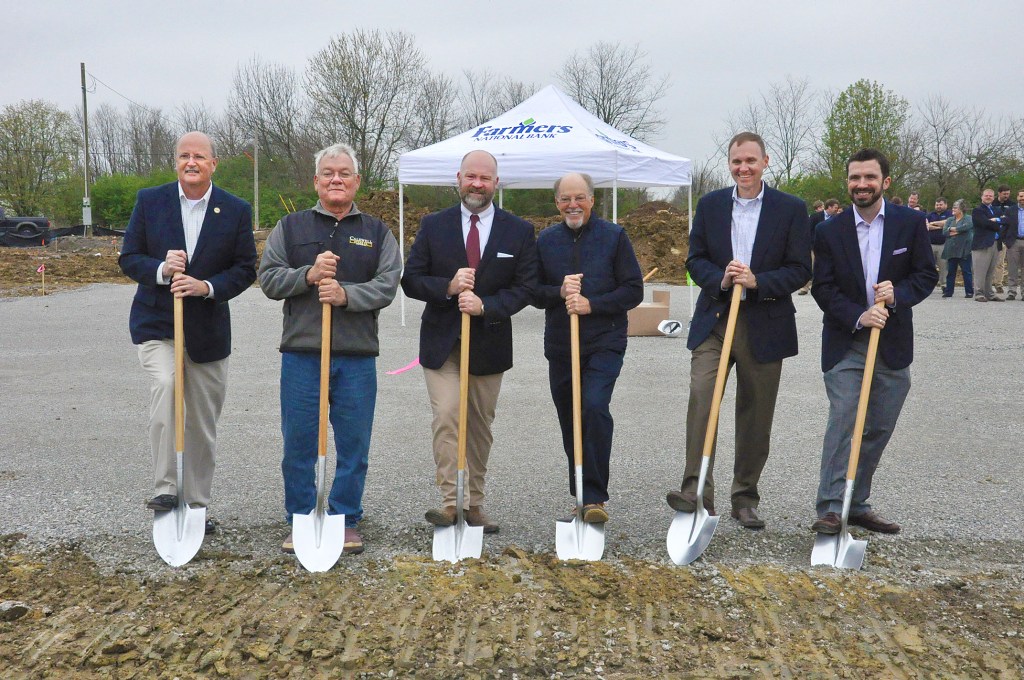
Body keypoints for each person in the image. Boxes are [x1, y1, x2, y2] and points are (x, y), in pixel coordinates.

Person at [258, 143, 401, 556]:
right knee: (299, 440)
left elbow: (389, 283)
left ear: (357, 181)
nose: (335, 179)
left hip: (356, 355)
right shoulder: (291, 227)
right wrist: (309, 275)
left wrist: (345, 295)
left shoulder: (377, 232)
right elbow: (268, 278)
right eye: (328, 173)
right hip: (303, 351)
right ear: (316, 181)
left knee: (355, 443)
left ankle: (345, 517)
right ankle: (301, 516)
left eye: (344, 173)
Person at [665, 131, 811, 530]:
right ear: (728, 164)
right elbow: (695, 260)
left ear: (765, 162)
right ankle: (696, 490)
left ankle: (744, 496)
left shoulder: (791, 209)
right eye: (736, 162)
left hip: (764, 324)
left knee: (755, 413)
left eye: (750, 161)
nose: (743, 168)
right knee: (702, 397)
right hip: (715, 319)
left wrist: (758, 280)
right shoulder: (711, 205)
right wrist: (723, 279)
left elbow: (801, 269)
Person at [119, 131, 257, 533]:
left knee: (200, 421)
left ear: (214, 163)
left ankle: (195, 505)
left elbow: (246, 268)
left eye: (199, 156)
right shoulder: (151, 201)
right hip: (158, 323)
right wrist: (162, 270)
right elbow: (129, 258)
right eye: (184, 156)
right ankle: (166, 489)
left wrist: (206, 287)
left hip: (208, 330)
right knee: (165, 385)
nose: (191, 162)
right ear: (176, 162)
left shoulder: (234, 209)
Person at [402, 150, 538, 533]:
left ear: (496, 183)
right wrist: (447, 286)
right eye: (471, 177)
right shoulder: (434, 225)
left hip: (489, 345)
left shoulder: (519, 231)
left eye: (485, 178)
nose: (477, 184)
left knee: (478, 424)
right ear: (458, 178)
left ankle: (474, 503)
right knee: (447, 415)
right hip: (442, 344)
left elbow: (525, 288)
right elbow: (411, 280)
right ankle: (450, 502)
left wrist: (486, 306)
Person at [810, 148, 937, 536]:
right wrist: (859, 314)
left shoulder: (910, 222)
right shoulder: (829, 230)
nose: (861, 185)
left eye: (869, 177)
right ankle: (832, 508)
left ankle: (856, 502)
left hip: (892, 343)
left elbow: (925, 275)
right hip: (846, 341)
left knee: (879, 426)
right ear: (847, 182)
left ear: (885, 182)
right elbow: (824, 288)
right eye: (854, 178)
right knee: (846, 418)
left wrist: (896, 294)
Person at [534, 172, 643, 523]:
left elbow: (633, 290)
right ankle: (580, 492)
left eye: (579, 197)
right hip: (561, 345)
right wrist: (559, 292)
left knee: (594, 407)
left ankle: (594, 497)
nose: (572, 205)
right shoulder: (547, 241)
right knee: (570, 418)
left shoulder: (614, 237)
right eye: (565, 199)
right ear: (557, 203)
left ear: (592, 200)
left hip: (604, 342)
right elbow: (532, 291)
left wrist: (591, 304)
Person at [971, 188, 1006, 301]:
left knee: (991, 270)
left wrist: (994, 221)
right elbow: (983, 223)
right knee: (980, 270)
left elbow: (1005, 222)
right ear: (982, 197)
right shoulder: (977, 210)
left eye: (990, 196)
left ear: (993, 197)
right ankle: (979, 293)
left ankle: (989, 293)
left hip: (996, 243)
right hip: (982, 244)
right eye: (986, 195)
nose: (988, 197)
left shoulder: (996, 210)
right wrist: (996, 222)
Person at [799, 200, 841, 295]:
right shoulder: (815, 217)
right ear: (829, 207)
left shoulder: (837, 218)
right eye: (835, 207)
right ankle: (805, 287)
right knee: (811, 266)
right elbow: (808, 231)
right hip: (815, 246)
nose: (836, 209)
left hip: (831, 247)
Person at [940, 200, 974, 298]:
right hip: (951, 249)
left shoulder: (968, 218)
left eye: (955, 207)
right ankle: (949, 292)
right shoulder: (950, 219)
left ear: (961, 209)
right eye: (953, 207)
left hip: (964, 249)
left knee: (966, 271)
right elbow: (945, 232)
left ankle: (969, 292)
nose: (953, 209)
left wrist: (953, 229)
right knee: (950, 272)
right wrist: (953, 230)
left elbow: (967, 227)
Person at [926, 197, 952, 290]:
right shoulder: (930, 214)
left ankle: (944, 284)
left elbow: (948, 222)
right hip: (931, 244)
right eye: (937, 204)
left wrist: (933, 224)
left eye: (940, 204)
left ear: (945, 205)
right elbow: (927, 226)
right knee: (929, 266)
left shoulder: (949, 213)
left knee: (943, 265)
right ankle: (929, 284)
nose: (938, 206)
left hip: (943, 244)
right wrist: (941, 227)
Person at [1004, 190, 1024, 300]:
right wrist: (1005, 241)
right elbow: (1004, 226)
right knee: (1012, 268)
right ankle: (1012, 292)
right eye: (1021, 196)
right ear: (1017, 197)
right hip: (1014, 242)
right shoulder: (1010, 210)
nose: (1022, 198)